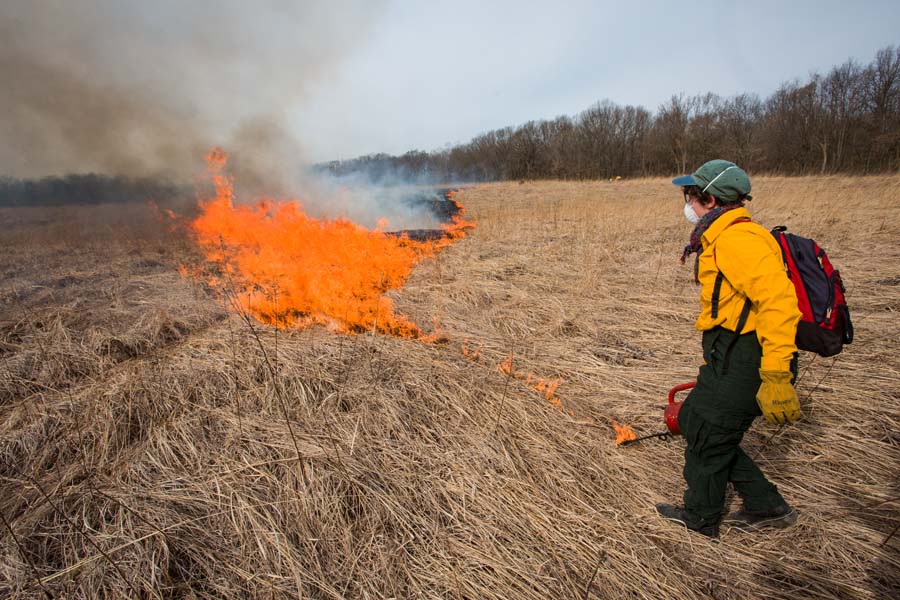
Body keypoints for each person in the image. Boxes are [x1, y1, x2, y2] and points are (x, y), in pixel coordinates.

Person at [655, 159, 802, 538]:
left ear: (708, 198)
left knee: (707, 432)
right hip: (728, 352)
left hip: (750, 358)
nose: (686, 203)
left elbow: (780, 303)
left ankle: (700, 518)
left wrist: (775, 374)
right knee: (693, 421)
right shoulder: (721, 234)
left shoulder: (737, 240)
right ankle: (767, 506)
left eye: (690, 194)